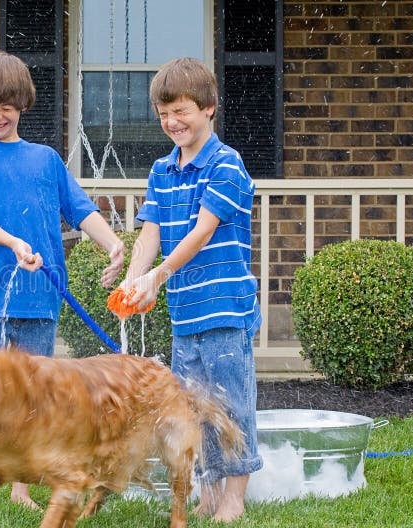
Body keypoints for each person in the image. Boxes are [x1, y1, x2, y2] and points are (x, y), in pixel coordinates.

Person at [0, 50, 125, 514]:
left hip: (40, 297)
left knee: (29, 398)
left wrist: (113, 245)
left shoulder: (44, 160)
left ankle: (21, 484)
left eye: (6, 106)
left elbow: (81, 209)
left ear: (22, 106)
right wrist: (14, 242)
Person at [116, 57, 262, 522]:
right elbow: (150, 233)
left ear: (209, 109)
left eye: (181, 111)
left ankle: (234, 498)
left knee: (230, 405)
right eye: (164, 114)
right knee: (193, 408)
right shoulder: (162, 170)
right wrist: (133, 278)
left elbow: (201, 232)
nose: (172, 122)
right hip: (185, 312)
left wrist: (157, 276)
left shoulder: (226, 163)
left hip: (223, 307)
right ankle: (208, 492)